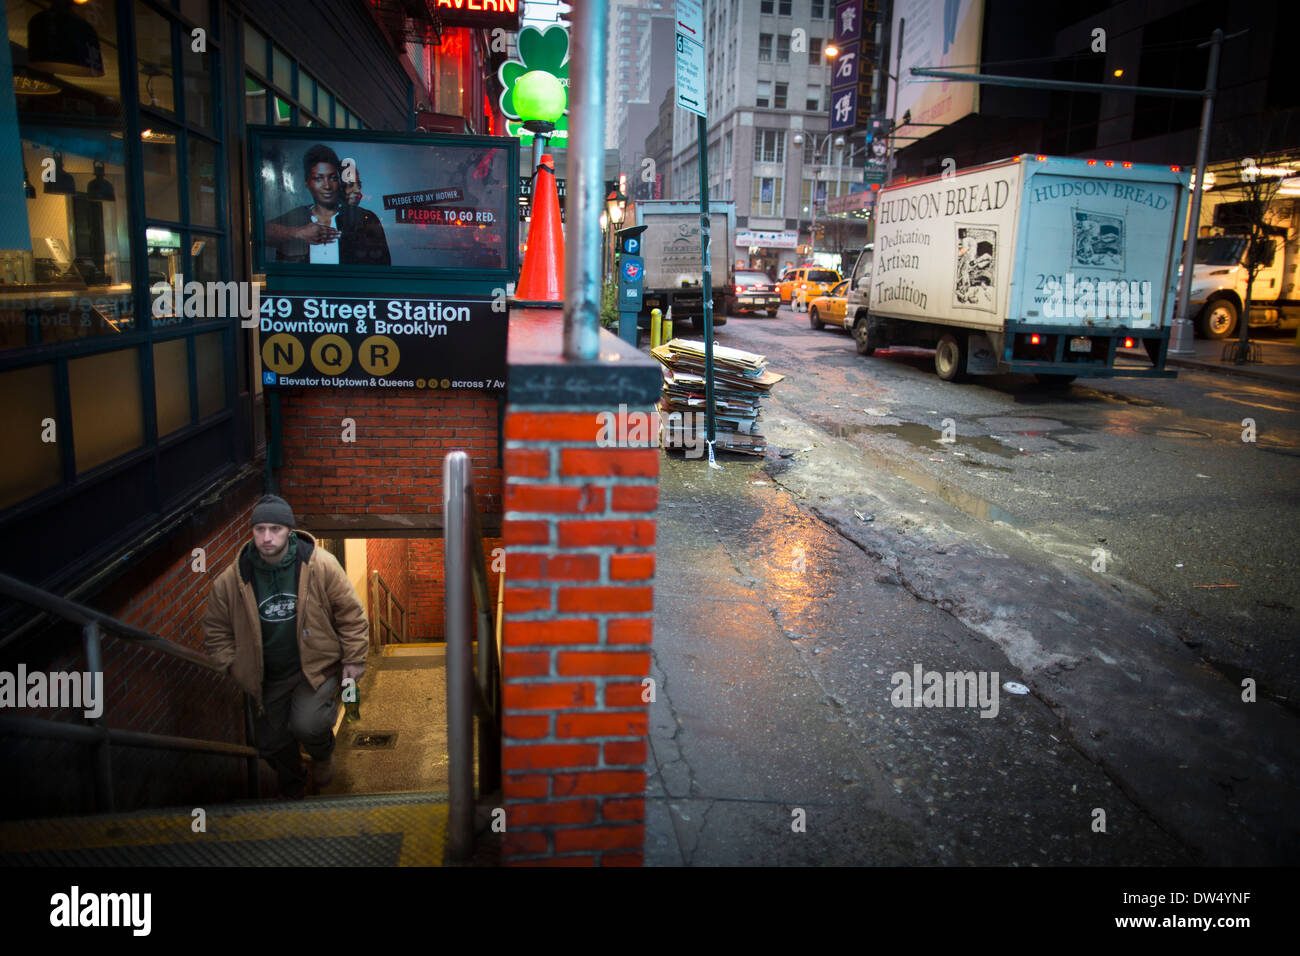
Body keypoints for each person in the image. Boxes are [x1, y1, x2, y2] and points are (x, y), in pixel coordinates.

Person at [202, 495, 368, 796]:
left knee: (308, 725)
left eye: (275, 529)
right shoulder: (233, 580)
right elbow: (215, 628)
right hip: (269, 677)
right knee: (270, 744)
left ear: (289, 531)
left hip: (315, 669)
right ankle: (293, 789)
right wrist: (234, 665)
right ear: (252, 531)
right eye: (260, 529)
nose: (267, 537)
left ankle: (322, 753)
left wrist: (354, 659)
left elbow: (351, 614)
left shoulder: (320, 565)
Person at [265, 144, 391, 265]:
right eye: (318, 178)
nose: (327, 186)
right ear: (307, 183)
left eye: (332, 178)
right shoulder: (297, 217)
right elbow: (258, 233)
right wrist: (298, 233)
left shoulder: (362, 218)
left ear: (339, 182)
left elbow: (383, 268)